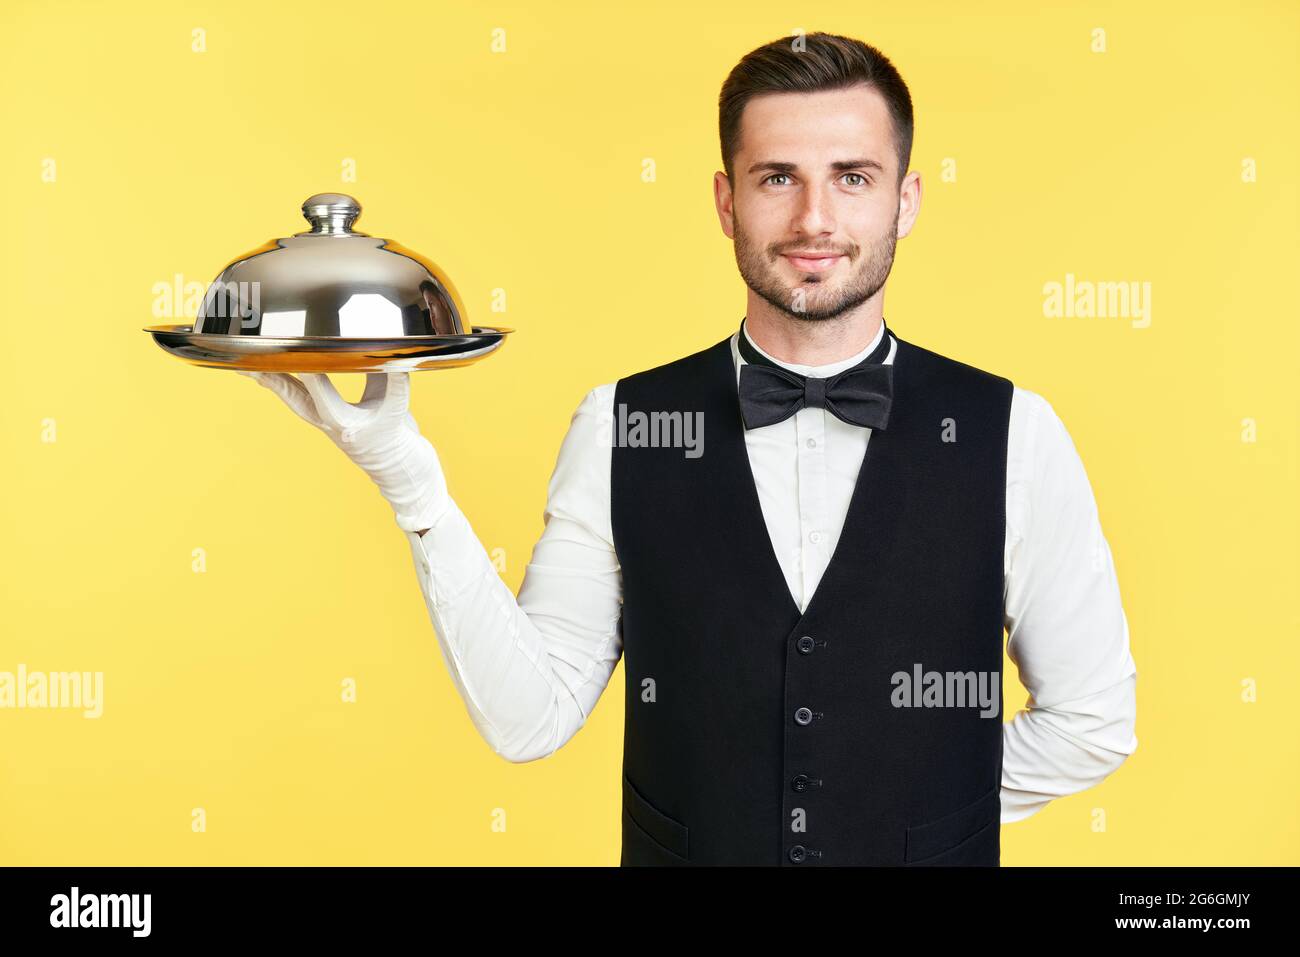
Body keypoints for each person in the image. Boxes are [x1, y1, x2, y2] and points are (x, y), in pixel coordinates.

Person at [240, 32, 1137, 866]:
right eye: (778, 177)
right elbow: (530, 716)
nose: (815, 218)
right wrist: (410, 479)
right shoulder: (621, 422)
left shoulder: (1015, 432)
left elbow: (1092, 719)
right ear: (726, 199)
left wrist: (915, 811)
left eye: (853, 177)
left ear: (906, 198)